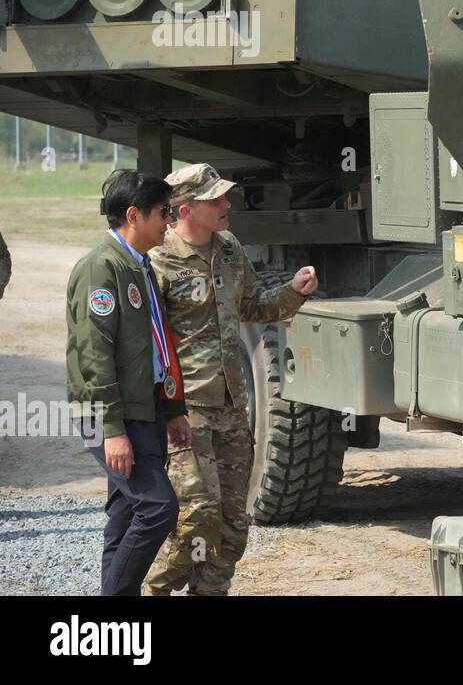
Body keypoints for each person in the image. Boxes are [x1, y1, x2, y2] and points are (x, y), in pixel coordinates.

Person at [145, 163, 317, 596]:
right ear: (185, 209)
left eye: (225, 197)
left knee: (234, 524)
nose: (227, 205)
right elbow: (144, 345)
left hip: (231, 408)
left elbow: (254, 308)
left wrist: (294, 291)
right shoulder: (157, 261)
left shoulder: (231, 249)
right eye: (216, 200)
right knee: (194, 520)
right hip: (185, 411)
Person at [66, 169, 191, 596]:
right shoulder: (102, 268)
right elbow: (94, 355)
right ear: (134, 215)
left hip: (144, 409)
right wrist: (113, 431)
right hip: (113, 416)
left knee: (124, 516)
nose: (169, 221)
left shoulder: (137, 266)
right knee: (158, 509)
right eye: (163, 212)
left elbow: (155, 343)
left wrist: (172, 411)